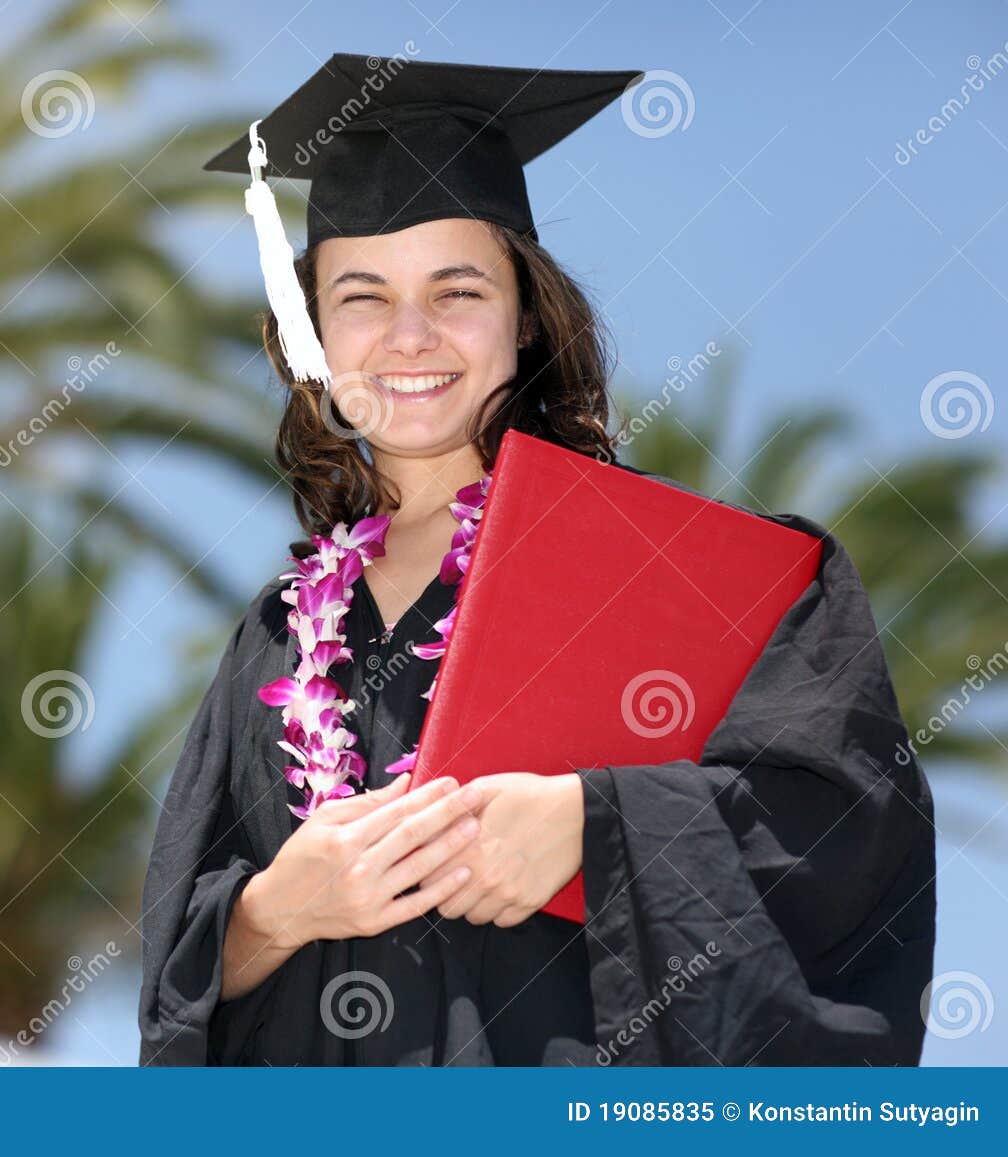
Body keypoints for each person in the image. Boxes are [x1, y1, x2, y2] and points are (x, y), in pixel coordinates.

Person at [137, 54, 937, 1066]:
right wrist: (273, 912)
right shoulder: (275, 638)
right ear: (312, 335)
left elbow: (847, 833)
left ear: (522, 315)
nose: (409, 334)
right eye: (361, 296)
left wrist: (594, 824)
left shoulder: (669, 574)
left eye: (456, 288)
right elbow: (175, 975)